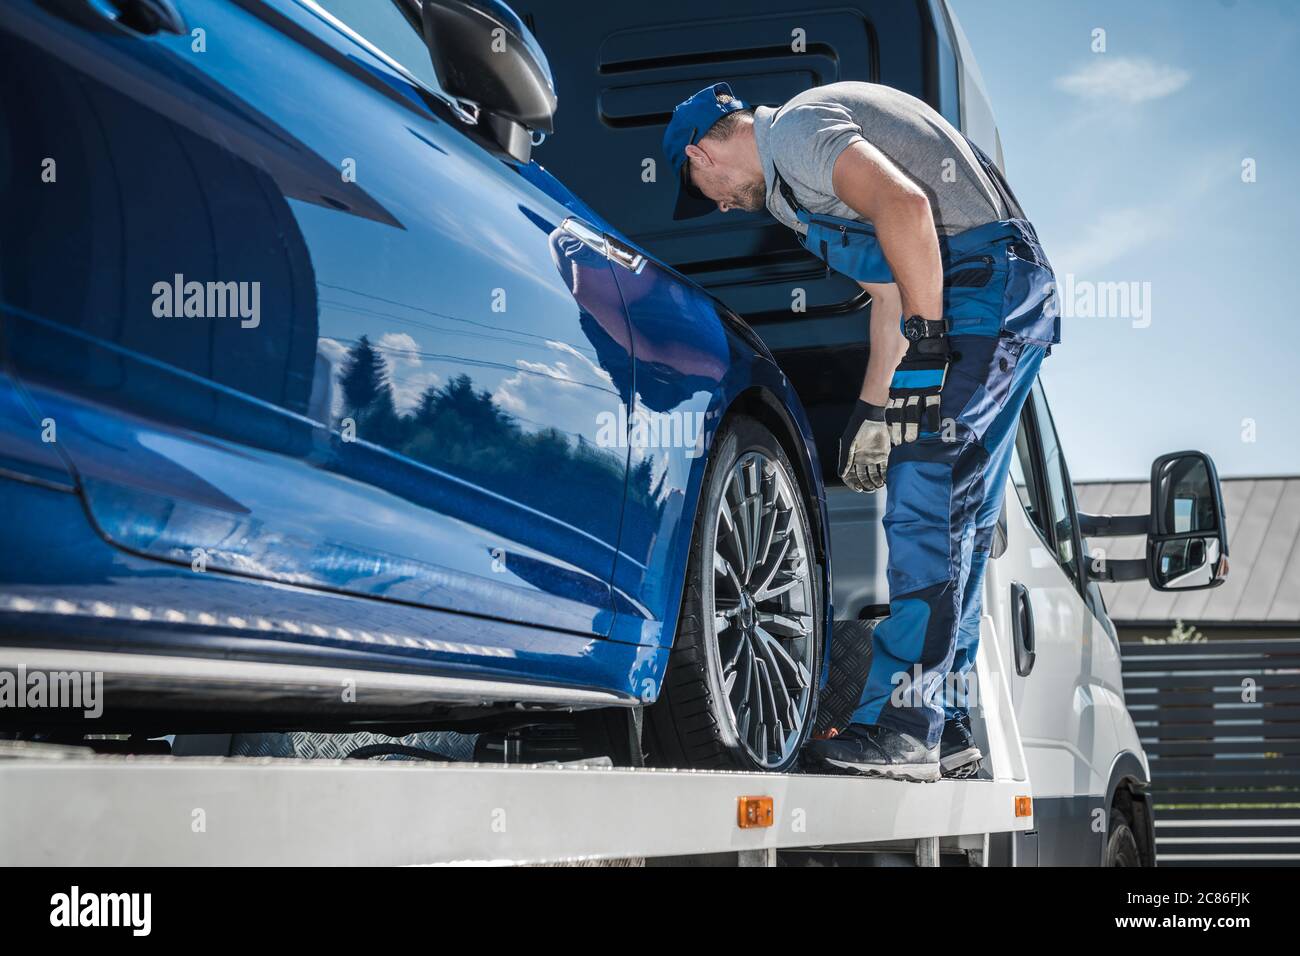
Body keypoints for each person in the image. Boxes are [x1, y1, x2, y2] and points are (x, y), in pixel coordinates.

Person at [662, 81, 1060, 781]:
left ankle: (905, 726)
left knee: (926, 493)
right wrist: (873, 413)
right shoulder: (793, 188)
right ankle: (946, 727)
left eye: (705, 188)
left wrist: (929, 347)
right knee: (958, 518)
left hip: (982, 288)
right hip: (990, 292)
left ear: (703, 150)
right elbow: (888, 289)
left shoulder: (793, 131)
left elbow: (906, 206)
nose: (719, 204)